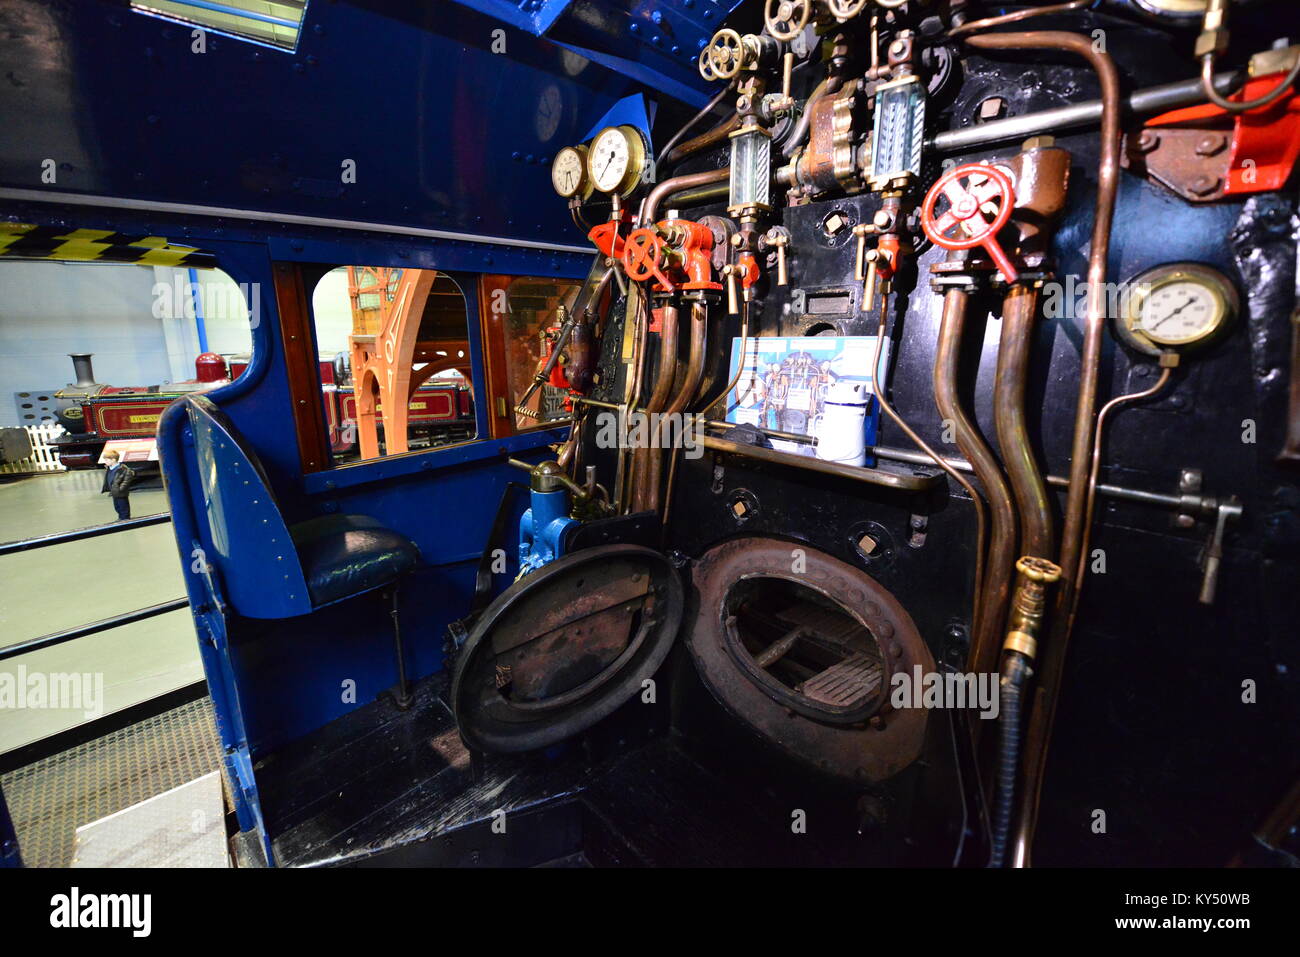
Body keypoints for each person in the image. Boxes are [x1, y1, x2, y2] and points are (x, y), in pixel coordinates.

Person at [101, 450, 135, 520]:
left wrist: (120, 489)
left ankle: (125, 518)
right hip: (114, 491)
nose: (105, 461)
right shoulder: (109, 468)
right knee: (117, 506)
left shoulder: (124, 469)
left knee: (123, 506)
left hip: (120, 492)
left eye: (106, 460)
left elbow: (126, 481)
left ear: (113, 460)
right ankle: (121, 517)